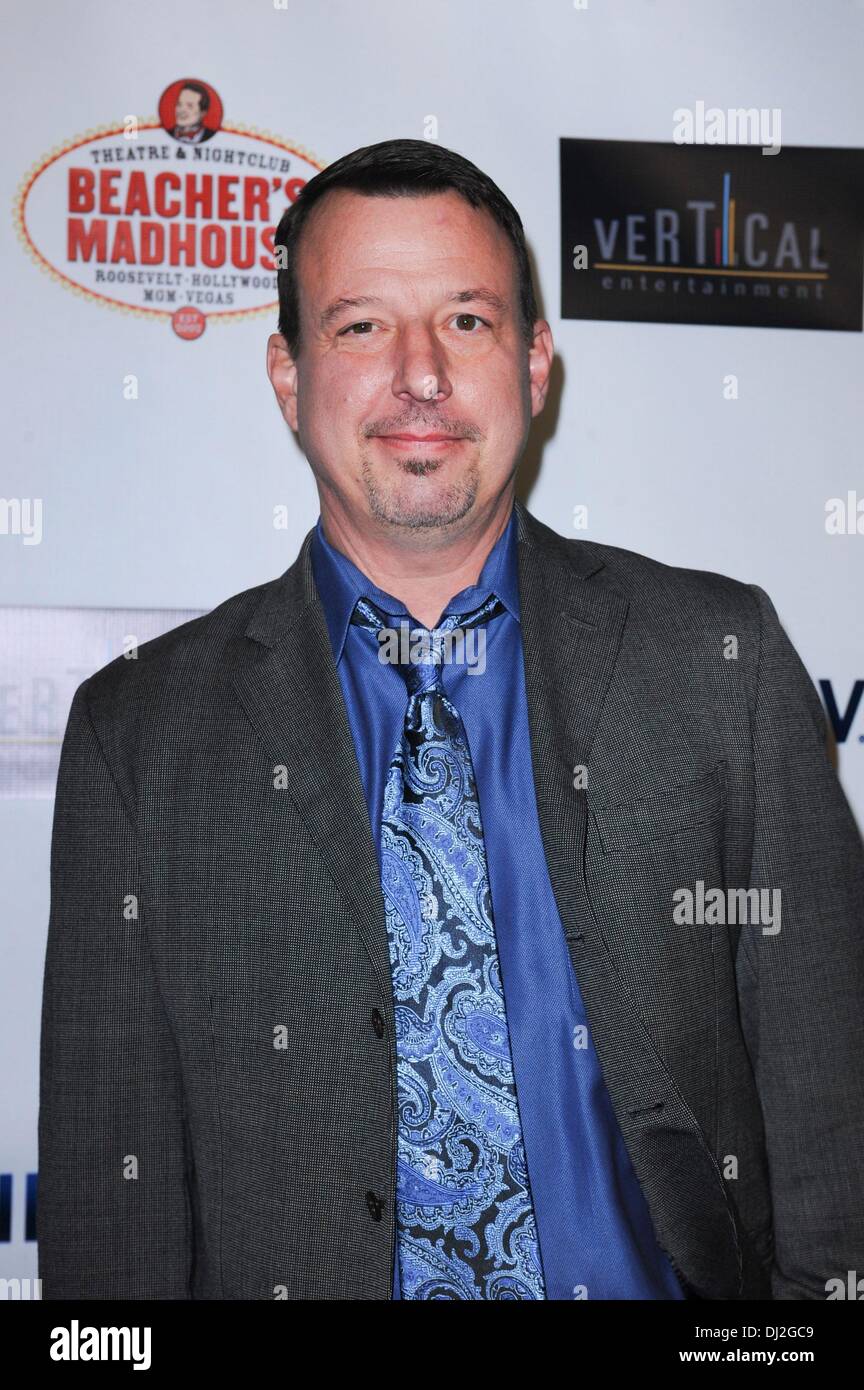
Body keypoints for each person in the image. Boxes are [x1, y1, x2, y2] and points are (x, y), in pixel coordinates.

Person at [38, 138, 864, 1301]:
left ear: (534, 364)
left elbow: (839, 1126)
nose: (420, 375)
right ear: (288, 374)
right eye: (362, 325)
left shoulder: (720, 665)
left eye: (467, 322)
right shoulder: (140, 733)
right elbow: (108, 1234)